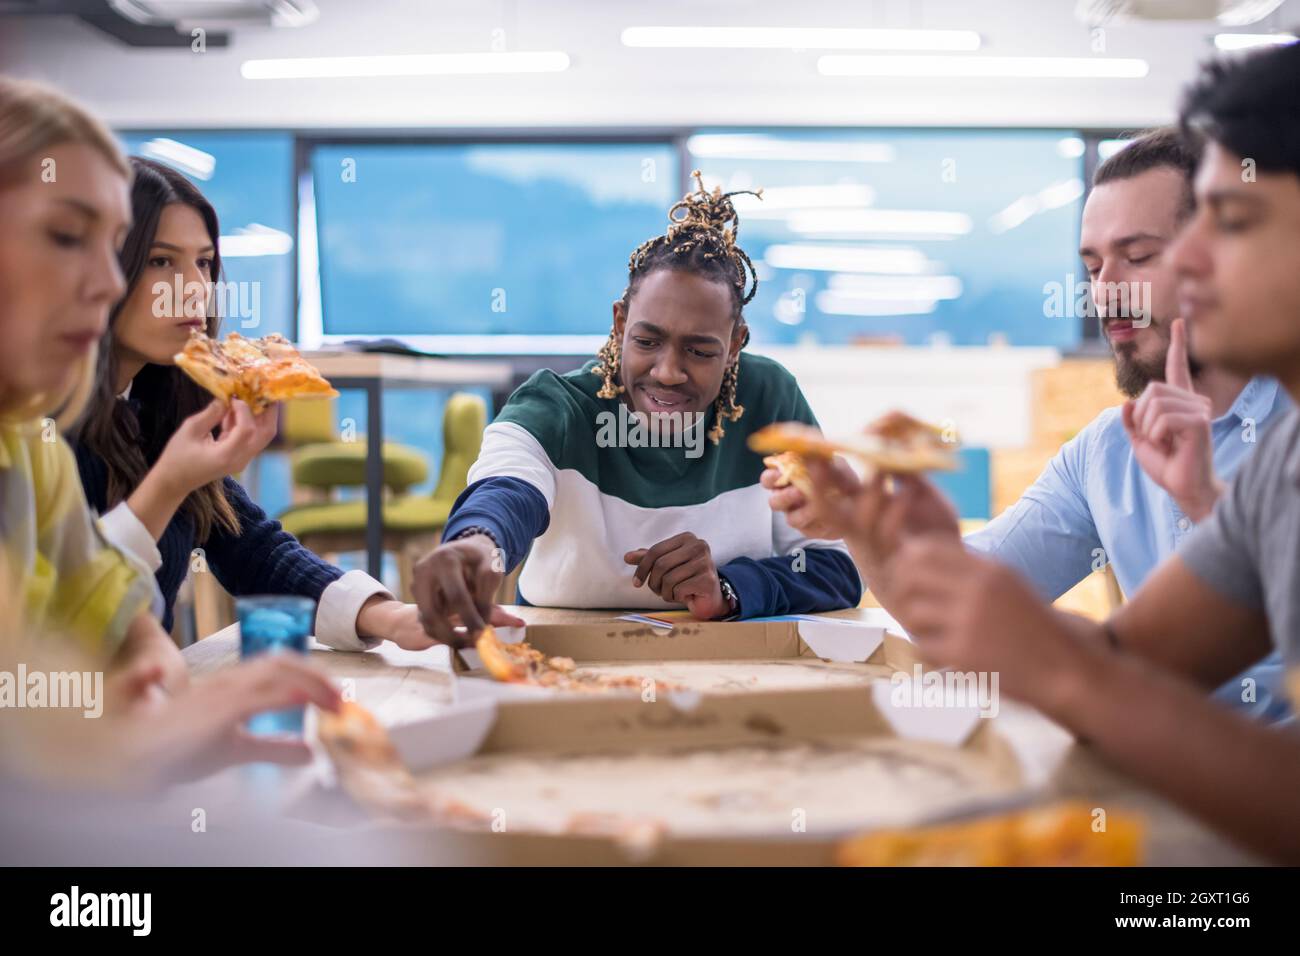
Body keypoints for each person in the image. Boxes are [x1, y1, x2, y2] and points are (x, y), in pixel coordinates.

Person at [828, 42, 1300, 863]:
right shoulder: (1264, 462)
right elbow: (1123, 656)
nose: (1183, 265)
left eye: (1229, 222)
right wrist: (899, 542)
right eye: (1093, 263)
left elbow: (1095, 675)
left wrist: (1068, 672)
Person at [764, 126, 1290, 719]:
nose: (1104, 294)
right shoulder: (1106, 451)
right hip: (1161, 771)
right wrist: (861, 525)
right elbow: (956, 609)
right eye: (1093, 266)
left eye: (1138, 257)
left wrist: (1205, 504)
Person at [0, 75, 340, 785]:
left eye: (206, 265)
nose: (101, 280)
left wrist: (381, 612)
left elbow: (233, 545)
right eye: (156, 261)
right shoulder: (53, 431)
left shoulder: (94, 419)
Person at [411, 174, 861, 644]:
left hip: (725, 654)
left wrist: (730, 588)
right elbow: (506, 490)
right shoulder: (557, 406)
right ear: (620, 322)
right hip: (562, 652)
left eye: (700, 351)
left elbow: (837, 567)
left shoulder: (770, 399)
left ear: (735, 346)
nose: (668, 372)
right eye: (647, 341)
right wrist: (478, 545)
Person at [71, 157, 430, 652]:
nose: (195, 289)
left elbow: (251, 548)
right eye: (160, 261)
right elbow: (59, 623)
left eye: (202, 262)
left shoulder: (162, 407)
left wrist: (392, 618)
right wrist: (169, 483)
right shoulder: (36, 427)